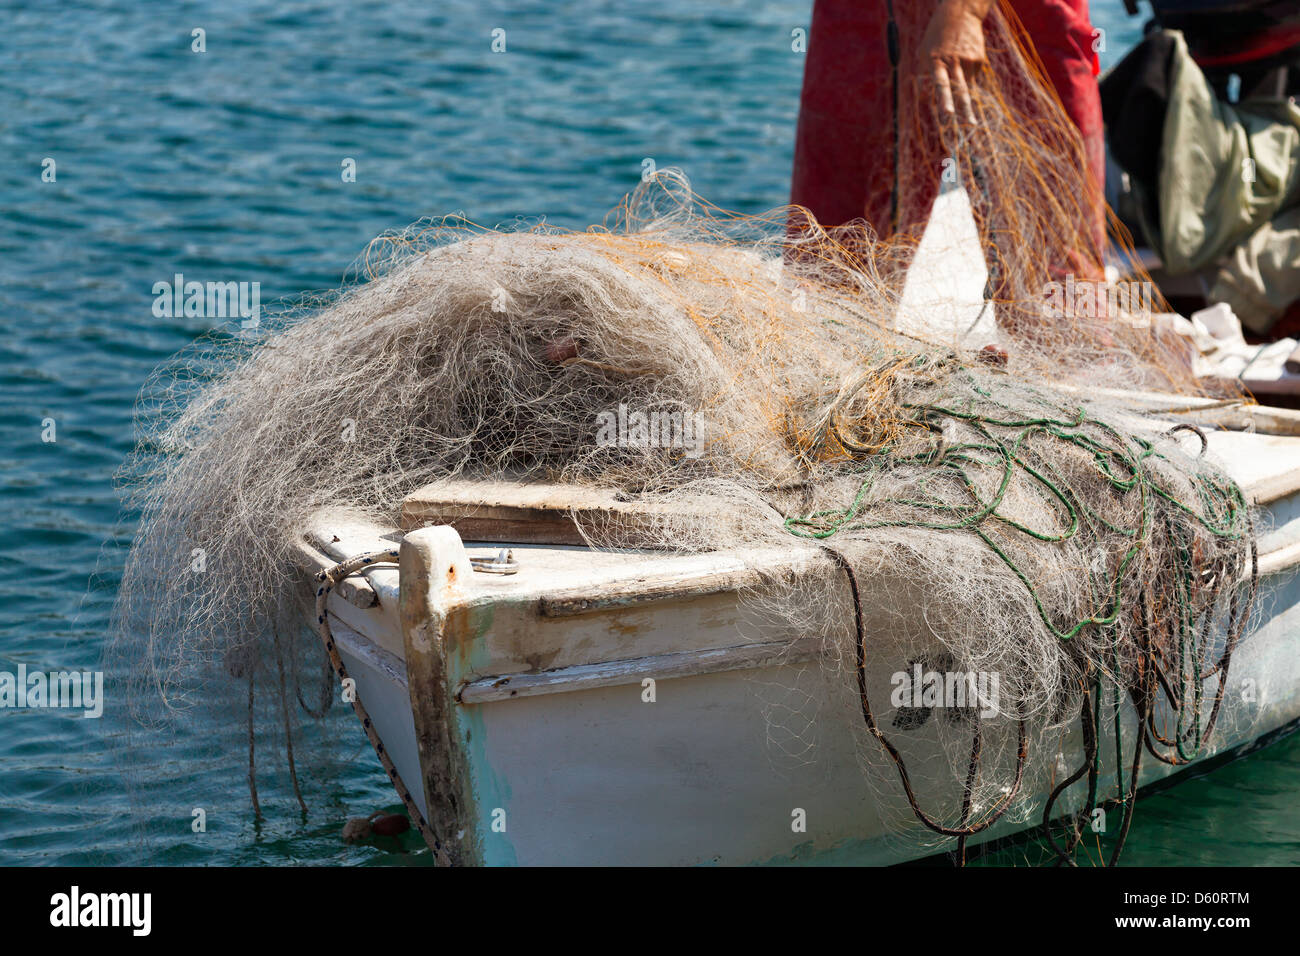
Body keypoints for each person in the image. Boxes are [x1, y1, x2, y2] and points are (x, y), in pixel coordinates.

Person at [790, 0, 1105, 247]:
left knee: (1050, 262)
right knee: (833, 252)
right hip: (862, 20)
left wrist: (966, 10)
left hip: (1020, 17)